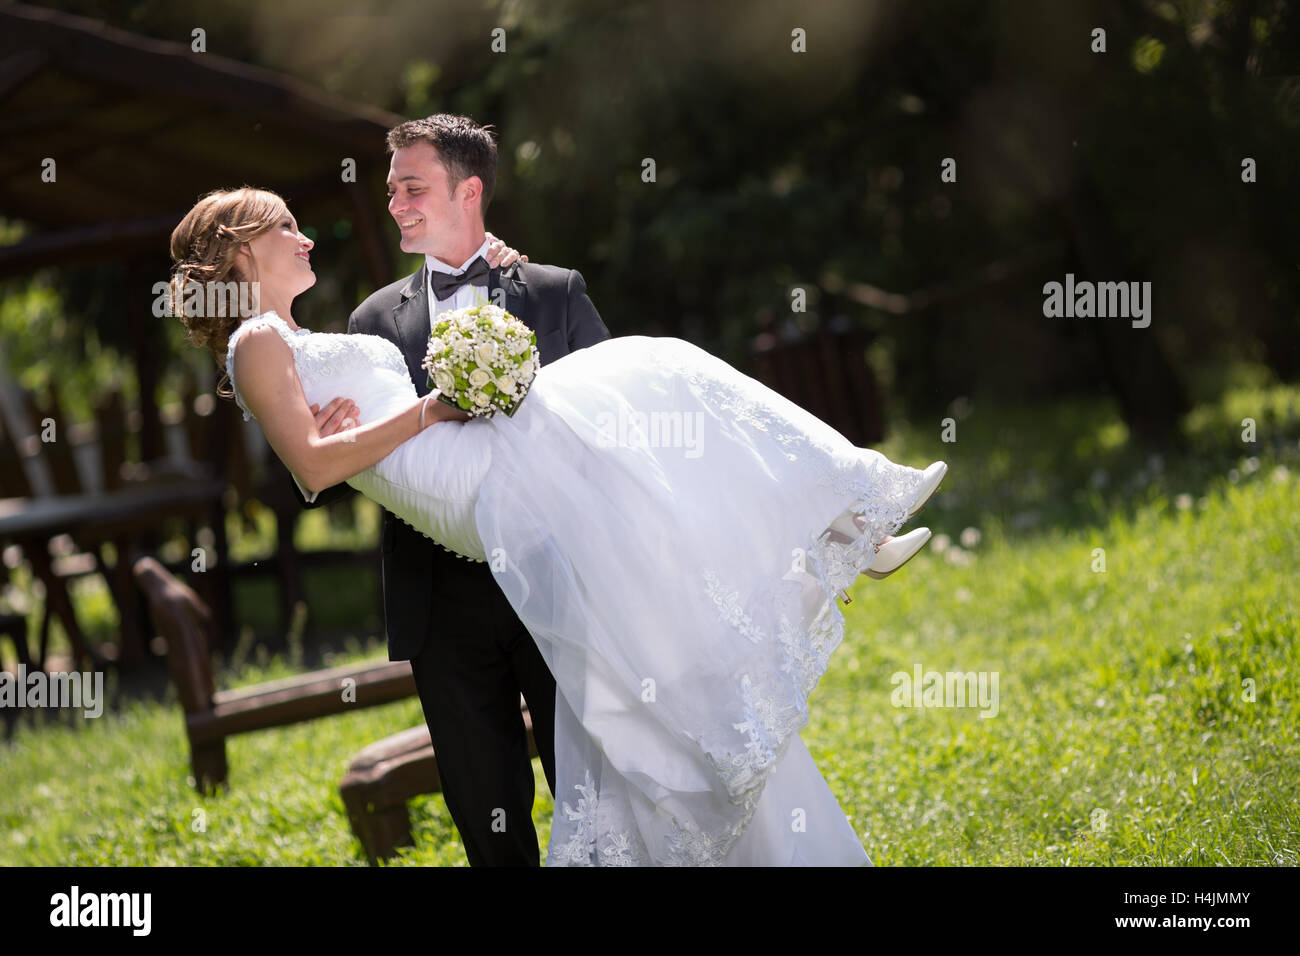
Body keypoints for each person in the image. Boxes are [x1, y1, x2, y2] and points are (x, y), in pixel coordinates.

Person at [170, 183, 947, 866]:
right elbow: (312, 468)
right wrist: (430, 407)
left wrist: (390, 407)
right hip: (467, 483)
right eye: (284, 229)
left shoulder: (293, 339)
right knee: (653, 375)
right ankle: (835, 531)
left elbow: (337, 436)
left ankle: (837, 535)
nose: (305, 239)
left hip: (465, 462)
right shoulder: (256, 341)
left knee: (647, 460)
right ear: (242, 254)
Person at [291, 115, 610, 867]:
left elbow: (614, 434)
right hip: (440, 599)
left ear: (469, 191)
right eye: (391, 188)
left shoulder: (555, 293)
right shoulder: (372, 320)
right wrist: (331, 431)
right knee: (484, 814)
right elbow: (346, 471)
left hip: (556, 581)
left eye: (413, 187)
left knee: (593, 803)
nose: (395, 203)